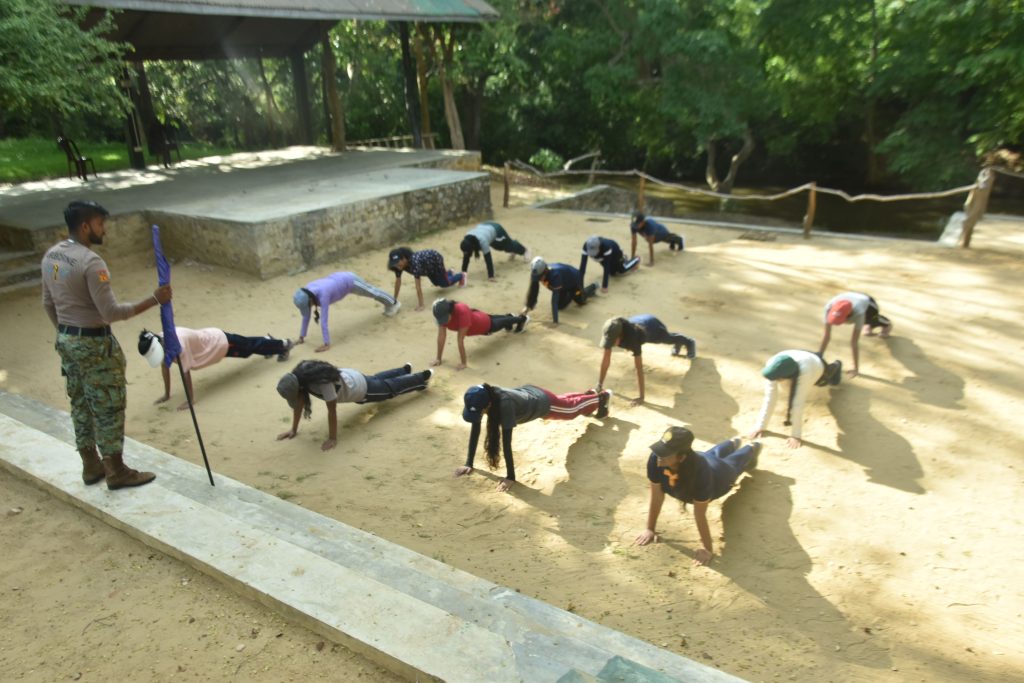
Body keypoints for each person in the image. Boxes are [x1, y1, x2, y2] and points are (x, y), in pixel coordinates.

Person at [41, 200, 172, 490]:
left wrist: (67, 334)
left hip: (66, 339)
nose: (104, 230)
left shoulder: (52, 256)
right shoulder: (91, 263)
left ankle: (90, 464)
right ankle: (116, 470)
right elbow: (111, 312)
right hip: (94, 343)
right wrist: (154, 299)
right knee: (108, 404)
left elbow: (48, 303)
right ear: (86, 226)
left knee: (80, 402)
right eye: (100, 224)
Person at [633, 427, 761, 565]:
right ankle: (732, 442)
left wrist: (707, 549)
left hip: (719, 474)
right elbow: (657, 496)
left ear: (681, 457)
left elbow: (700, 514)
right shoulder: (656, 458)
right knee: (712, 454)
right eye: (660, 449)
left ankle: (752, 447)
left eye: (665, 453)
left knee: (734, 463)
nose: (659, 455)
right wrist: (650, 528)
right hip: (702, 458)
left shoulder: (700, 474)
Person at [454, 383, 612, 492]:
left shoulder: (504, 405)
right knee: (563, 401)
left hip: (542, 404)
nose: (478, 415)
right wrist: (469, 463)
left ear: (487, 405)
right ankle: (588, 397)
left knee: (570, 411)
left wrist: (510, 477)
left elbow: (507, 444)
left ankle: (600, 398)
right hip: (532, 393)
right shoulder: (481, 396)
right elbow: (475, 427)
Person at [276, 360, 432, 452]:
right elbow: (298, 405)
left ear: (298, 388)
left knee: (389, 389)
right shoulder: (302, 375)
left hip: (359, 389)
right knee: (376, 380)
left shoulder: (322, 384)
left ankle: (421, 378)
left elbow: (332, 411)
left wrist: (332, 438)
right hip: (350, 375)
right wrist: (293, 430)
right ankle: (403, 370)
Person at [139, 327, 293, 411]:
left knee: (249, 346)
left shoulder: (178, 345)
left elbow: (185, 373)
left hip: (218, 343)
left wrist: (190, 400)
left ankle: (284, 345)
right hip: (211, 348)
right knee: (247, 350)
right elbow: (165, 366)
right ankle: (269, 342)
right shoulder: (162, 340)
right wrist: (166, 394)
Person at [748, 350, 842, 449]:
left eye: (778, 378)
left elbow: (798, 402)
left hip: (814, 364)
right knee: (788, 386)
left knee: (823, 382)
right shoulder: (772, 365)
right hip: (799, 355)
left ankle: (836, 365)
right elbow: (770, 398)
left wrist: (795, 434)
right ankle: (817, 356)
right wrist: (760, 426)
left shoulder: (806, 372)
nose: (776, 381)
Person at [596, 315, 697, 406]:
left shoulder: (633, 339)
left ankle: (689, 341)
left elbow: (639, 368)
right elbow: (605, 361)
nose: (609, 343)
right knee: (669, 339)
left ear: (620, 335)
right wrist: (599, 385)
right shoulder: (613, 332)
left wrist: (641, 397)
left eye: (612, 341)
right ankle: (678, 342)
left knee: (667, 339)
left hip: (653, 327)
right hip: (642, 321)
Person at [293, 272, 400, 352]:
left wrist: (326, 343)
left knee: (371, 291)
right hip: (340, 281)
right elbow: (306, 316)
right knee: (371, 292)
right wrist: (301, 337)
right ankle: (389, 303)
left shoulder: (323, 295)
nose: (309, 308)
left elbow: (324, 320)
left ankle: (394, 303)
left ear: (310, 300)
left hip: (350, 281)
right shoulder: (307, 293)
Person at [430, 298, 529, 370]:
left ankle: (522, 319)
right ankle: (509, 318)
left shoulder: (462, 312)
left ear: (450, 311)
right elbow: (441, 336)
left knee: (497, 323)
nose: (442, 322)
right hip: (479, 317)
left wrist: (463, 363)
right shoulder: (441, 313)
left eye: (444, 318)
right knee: (499, 319)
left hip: (485, 325)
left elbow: (460, 340)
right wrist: (438, 358)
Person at [817, 292, 893, 378]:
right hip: (850, 298)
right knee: (866, 327)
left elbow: (854, 342)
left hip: (868, 303)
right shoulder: (828, 308)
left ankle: (886, 324)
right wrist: (819, 356)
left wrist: (855, 369)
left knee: (872, 319)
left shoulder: (859, 312)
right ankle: (869, 325)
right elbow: (826, 335)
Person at [522, 256, 598, 325]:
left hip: (574, 281)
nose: (538, 279)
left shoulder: (555, 277)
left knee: (581, 301)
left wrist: (555, 321)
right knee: (560, 306)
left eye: (539, 277)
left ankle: (593, 286)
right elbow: (533, 291)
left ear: (545, 272)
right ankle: (570, 294)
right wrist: (528, 307)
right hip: (563, 284)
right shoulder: (537, 272)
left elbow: (554, 300)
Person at [388, 247, 466, 311]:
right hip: (426, 269)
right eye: (395, 264)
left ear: (404, 258)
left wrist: (421, 304)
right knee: (436, 283)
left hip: (435, 260)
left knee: (444, 283)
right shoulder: (399, 267)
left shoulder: (415, 263)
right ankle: (449, 273)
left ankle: (461, 276)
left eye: (398, 262)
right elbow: (398, 282)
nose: (397, 266)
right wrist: (394, 300)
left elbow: (418, 286)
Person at [459, 221, 531, 280]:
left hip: (496, 229)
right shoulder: (467, 240)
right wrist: (463, 273)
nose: (466, 253)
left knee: (508, 246)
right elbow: (466, 256)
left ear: (472, 246)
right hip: (486, 227)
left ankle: (525, 251)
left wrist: (491, 276)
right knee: (497, 247)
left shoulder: (482, 241)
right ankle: (514, 250)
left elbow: (488, 258)